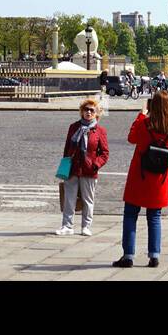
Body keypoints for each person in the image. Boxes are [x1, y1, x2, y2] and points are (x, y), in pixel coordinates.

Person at [114, 90, 168, 269]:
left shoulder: (144, 123)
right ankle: (154, 255)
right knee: (154, 216)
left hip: (140, 174)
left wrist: (141, 115)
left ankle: (128, 255)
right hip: (159, 177)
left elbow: (131, 138)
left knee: (130, 214)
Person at [56, 99, 109, 236]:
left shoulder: (99, 131)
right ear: (82, 111)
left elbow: (104, 153)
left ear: (96, 113)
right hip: (73, 168)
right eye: (86, 109)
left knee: (88, 200)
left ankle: (86, 226)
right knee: (69, 198)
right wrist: (65, 166)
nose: (89, 112)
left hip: (89, 170)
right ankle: (67, 226)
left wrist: (95, 164)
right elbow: (67, 148)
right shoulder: (74, 127)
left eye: (92, 110)